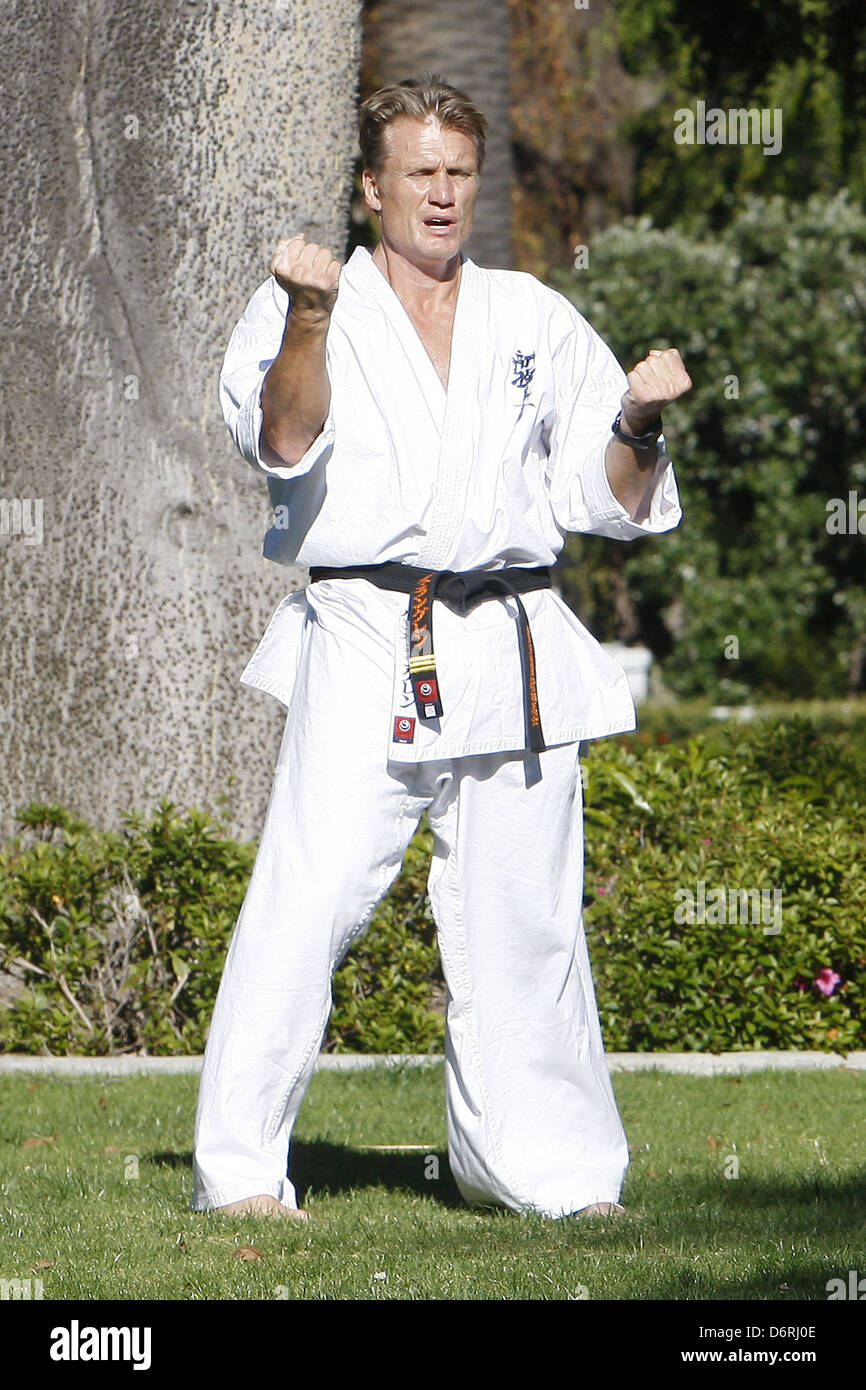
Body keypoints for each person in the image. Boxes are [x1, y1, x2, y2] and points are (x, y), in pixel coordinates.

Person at [191, 75, 690, 1223]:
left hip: (510, 634)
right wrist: (309, 315)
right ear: (371, 188)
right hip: (369, 628)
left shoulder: (530, 316)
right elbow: (282, 437)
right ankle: (242, 1173)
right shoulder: (308, 303)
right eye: (417, 173)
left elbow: (603, 496)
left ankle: (545, 1173)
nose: (440, 194)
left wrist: (638, 421)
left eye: (458, 173)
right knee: (310, 899)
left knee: (525, 916)